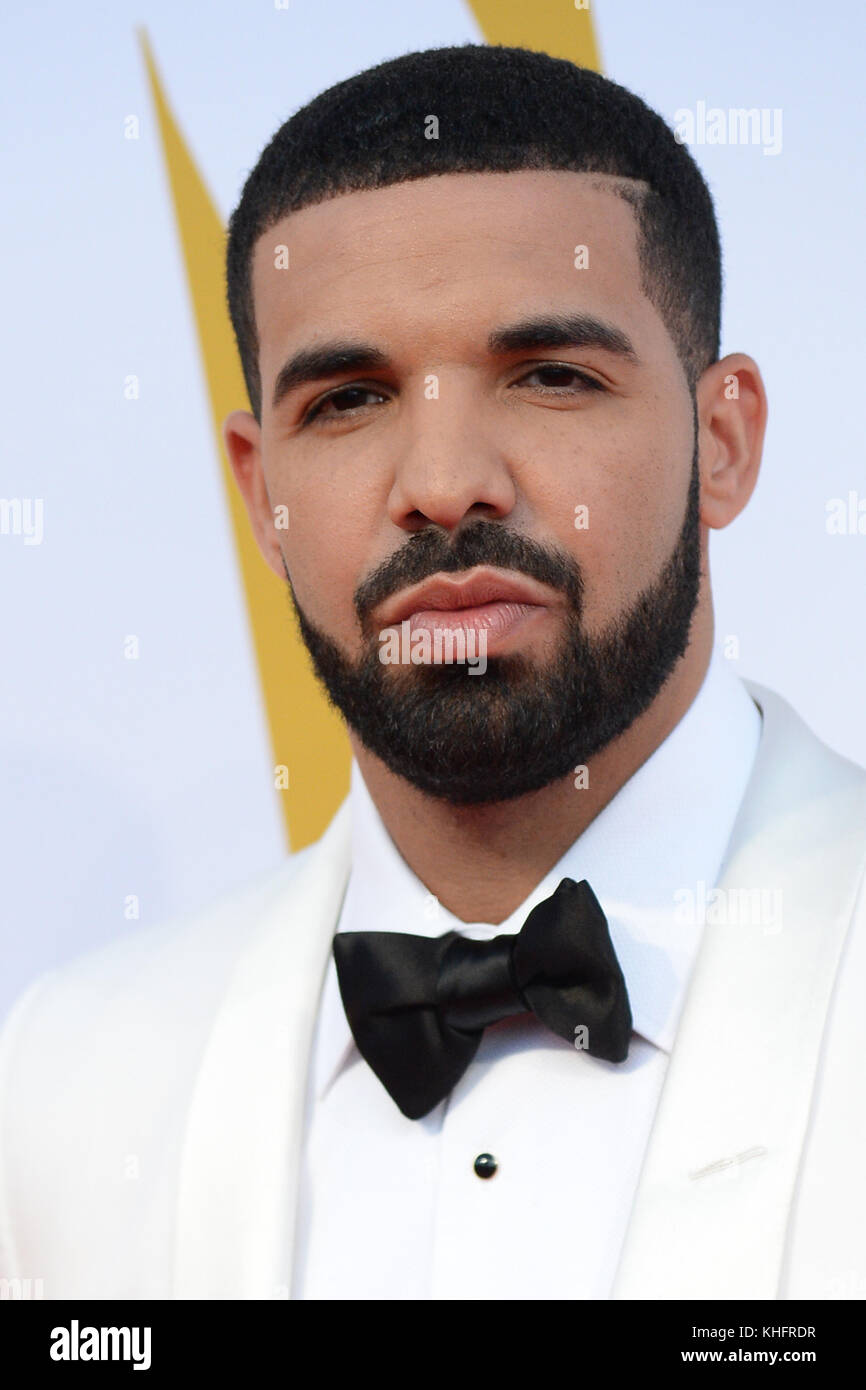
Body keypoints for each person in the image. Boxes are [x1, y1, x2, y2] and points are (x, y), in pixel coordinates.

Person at [2, 43, 865, 1302]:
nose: (442, 481)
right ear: (260, 493)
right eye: (348, 401)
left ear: (720, 440)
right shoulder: (67, 1082)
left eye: (550, 376)